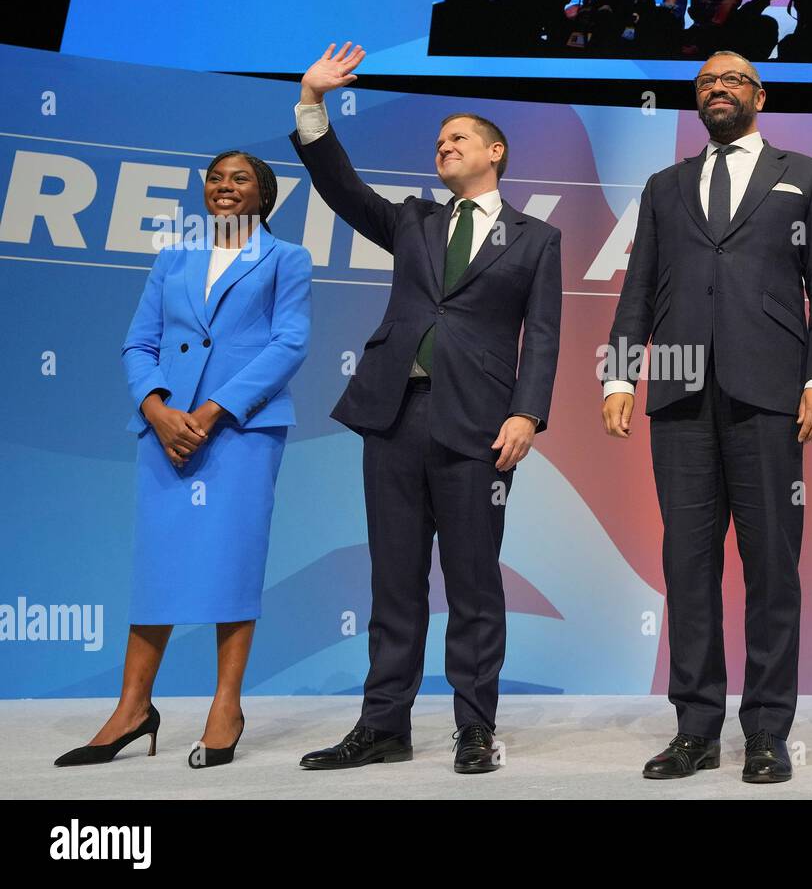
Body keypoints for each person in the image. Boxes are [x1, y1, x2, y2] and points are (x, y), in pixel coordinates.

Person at [291, 43, 562, 774]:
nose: (443, 147)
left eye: (458, 138)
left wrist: (527, 413)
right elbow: (342, 188)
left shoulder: (537, 240)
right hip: (395, 417)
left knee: (474, 583)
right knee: (394, 580)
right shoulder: (413, 221)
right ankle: (384, 725)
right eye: (438, 141)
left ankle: (475, 729)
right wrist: (312, 105)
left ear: (495, 153)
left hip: (480, 428)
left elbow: (543, 336)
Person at [603, 50, 812, 783]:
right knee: (688, 564)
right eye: (707, 81)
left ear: (759, 95)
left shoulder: (803, 175)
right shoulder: (665, 185)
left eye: (732, 79)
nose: (718, 88)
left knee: (772, 566)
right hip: (678, 397)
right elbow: (638, 287)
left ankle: (768, 731)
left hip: (771, 393)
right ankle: (695, 729)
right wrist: (619, 374)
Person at [54, 151, 312, 769]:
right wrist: (156, 408)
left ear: (263, 194)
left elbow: (290, 342)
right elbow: (138, 342)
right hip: (165, 430)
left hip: (242, 430)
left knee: (232, 562)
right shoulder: (173, 257)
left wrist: (217, 408)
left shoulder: (286, 259)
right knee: (159, 569)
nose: (224, 187)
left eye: (239, 178)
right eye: (216, 178)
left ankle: (226, 706)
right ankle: (132, 708)